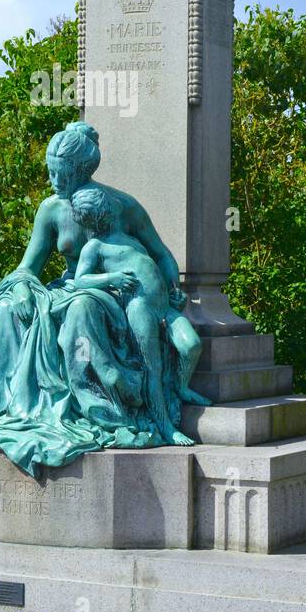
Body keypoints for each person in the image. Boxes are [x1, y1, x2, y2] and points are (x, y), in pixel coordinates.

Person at [0, 120, 203, 476]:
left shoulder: (120, 206)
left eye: (62, 173)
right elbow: (28, 266)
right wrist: (24, 286)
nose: (54, 180)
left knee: (82, 308)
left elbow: (161, 253)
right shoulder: (51, 209)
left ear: (83, 170)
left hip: (112, 297)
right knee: (7, 306)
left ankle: (101, 410)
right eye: (50, 171)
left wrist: (171, 284)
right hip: (69, 288)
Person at [70, 185, 207, 445]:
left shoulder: (130, 237)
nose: (113, 211)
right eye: (106, 209)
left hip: (163, 305)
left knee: (192, 346)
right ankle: (166, 427)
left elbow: (160, 259)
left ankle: (180, 386)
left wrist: (175, 289)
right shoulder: (95, 247)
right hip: (138, 307)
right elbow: (79, 280)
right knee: (151, 367)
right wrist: (112, 278)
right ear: (98, 218)